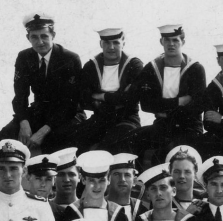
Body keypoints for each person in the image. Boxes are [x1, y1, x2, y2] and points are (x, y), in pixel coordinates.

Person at [4, 14, 87, 152]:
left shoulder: (69, 58)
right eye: (34, 37)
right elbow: (20, 95)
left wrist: (42, 132)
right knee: (7, 135)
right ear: (28, 38)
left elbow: (70, 103)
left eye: (44, 36)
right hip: (40, 110)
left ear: (53, 35)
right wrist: (24, 122)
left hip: (68, 114)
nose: (40, 42)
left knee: (54, 141)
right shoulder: (24, 57)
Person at [134, 24, 209, 164]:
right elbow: (146, 105)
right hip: (162, 124)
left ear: (183, 42)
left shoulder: (196, 69)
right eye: (167, 40)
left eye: (175, 40)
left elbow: (198, 106)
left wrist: (164, 110)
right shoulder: (151, 68)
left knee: (166, 154)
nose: (171, 44)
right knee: (130, 140)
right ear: (161, 42)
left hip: (189, 127)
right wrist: (179, 102)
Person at [73, 27, 146, 155]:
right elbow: (84, 99)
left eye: (116, 42)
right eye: (107, 43)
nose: (111, 47)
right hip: (100, 117)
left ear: (123, 43)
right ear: (101, 44)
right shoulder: (91, 66)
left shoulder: (134, 65)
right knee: (75, 140)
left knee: (109, 146)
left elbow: (131, 98)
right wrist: (118, 98)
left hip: (127, 119)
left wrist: (101, 96)